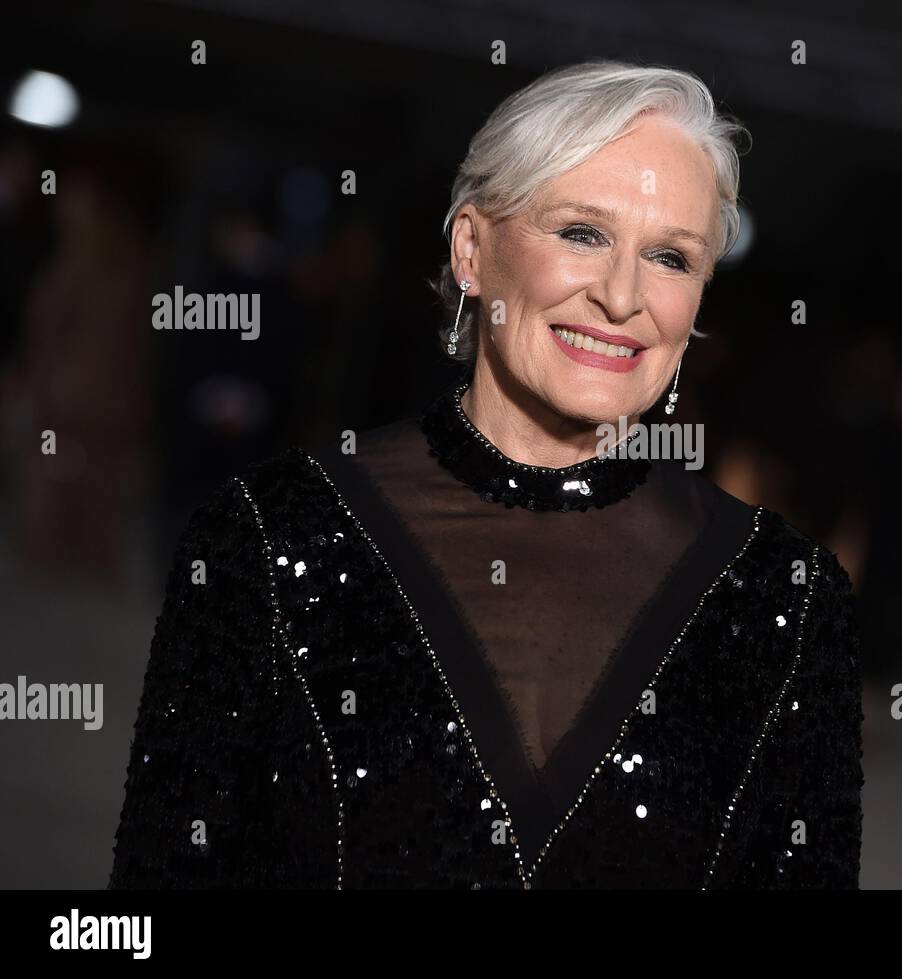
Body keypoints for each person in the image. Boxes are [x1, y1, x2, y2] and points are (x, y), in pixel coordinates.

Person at [108, 59, 864, 890]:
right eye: (582, 233)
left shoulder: (787, 601)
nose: (622, 296)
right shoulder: (268, 537)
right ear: (472, 249)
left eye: (670, 258)